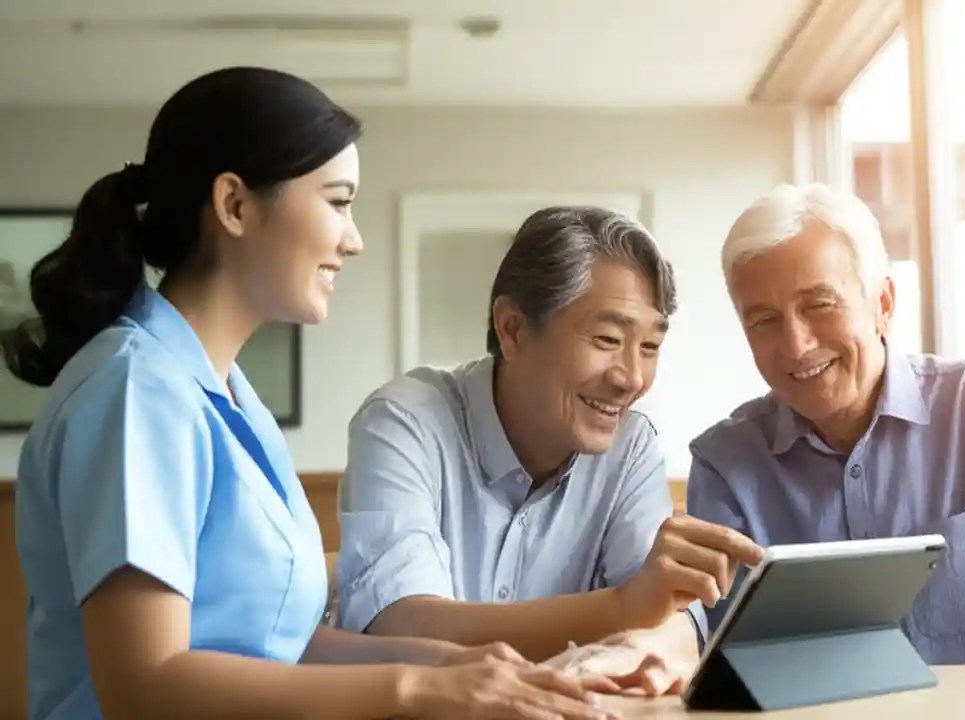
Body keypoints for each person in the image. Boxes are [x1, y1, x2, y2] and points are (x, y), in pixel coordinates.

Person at [4, 67, 614, 720]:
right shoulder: (133, 390)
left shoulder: (232, 399)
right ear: (234, 205)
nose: (353, 240)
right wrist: (416, 690)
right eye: (337, 201)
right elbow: (146, 684)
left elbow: (275, 652)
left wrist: (458, 663)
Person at [685, 183, 965, 670]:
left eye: (819, 305)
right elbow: (719, 648)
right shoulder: (725, 463)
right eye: (764, 320)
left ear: (884, 304)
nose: (796, 344)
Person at [336, 206, 764, 695]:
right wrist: (624, 608)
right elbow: (401, 626)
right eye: (608, 338)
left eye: (649, 347)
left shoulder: (631, 448)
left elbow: (671, 620)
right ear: (512, 328)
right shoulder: (405, 421)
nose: (631, 377)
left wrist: (656, 648)